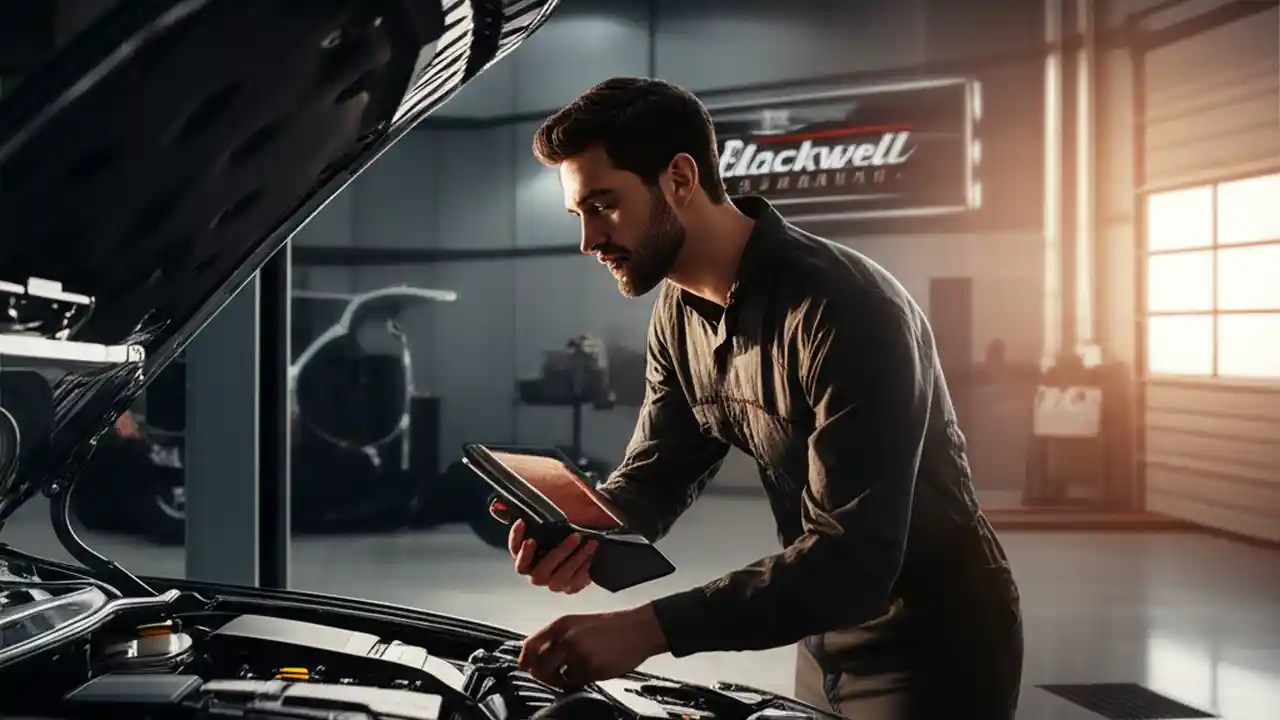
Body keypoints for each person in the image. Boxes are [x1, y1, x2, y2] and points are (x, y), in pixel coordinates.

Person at [506, 77, 1023, 720]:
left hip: (934, 642)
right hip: (820, 628)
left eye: (604, 204)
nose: (588, 240)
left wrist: (647, 628)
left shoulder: (848, 310)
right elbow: (658, 472)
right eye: (579, 214)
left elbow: (855, 557)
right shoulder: (677, 312)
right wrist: (583, 531)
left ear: (679, 178)